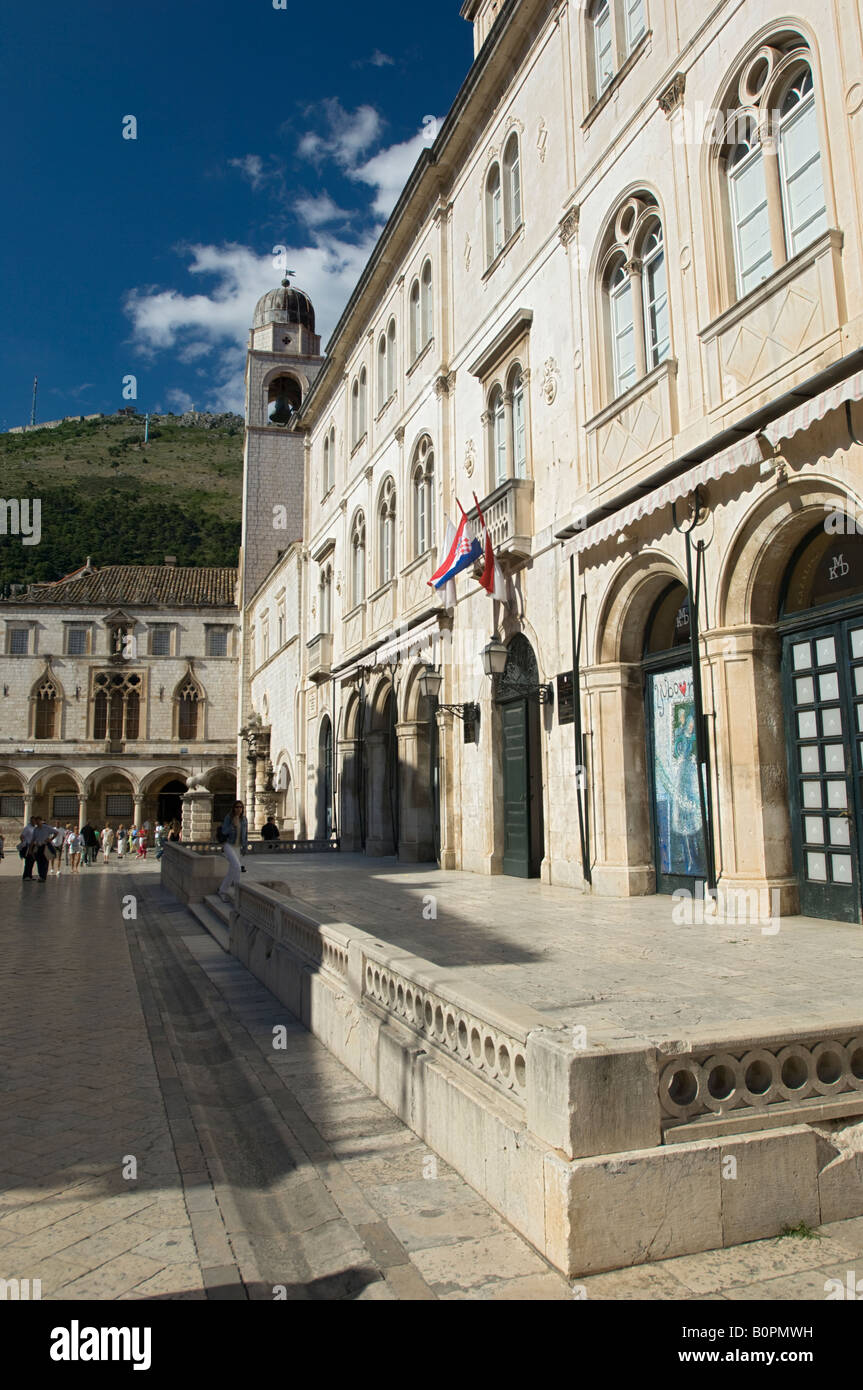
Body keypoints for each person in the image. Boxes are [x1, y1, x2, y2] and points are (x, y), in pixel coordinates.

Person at [218, 801, 248, 903]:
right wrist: (233, 826)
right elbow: (224, 831)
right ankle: (237, 893)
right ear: (233, 808)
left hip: (238, 847)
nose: (239, 809)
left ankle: (222, 891)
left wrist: (245, 847)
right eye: (237, 807)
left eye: (240, 807)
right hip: (228, 845)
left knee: (232, 871)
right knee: (237, 867)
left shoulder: (244, 819)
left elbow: (245, 834)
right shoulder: (228, 818)